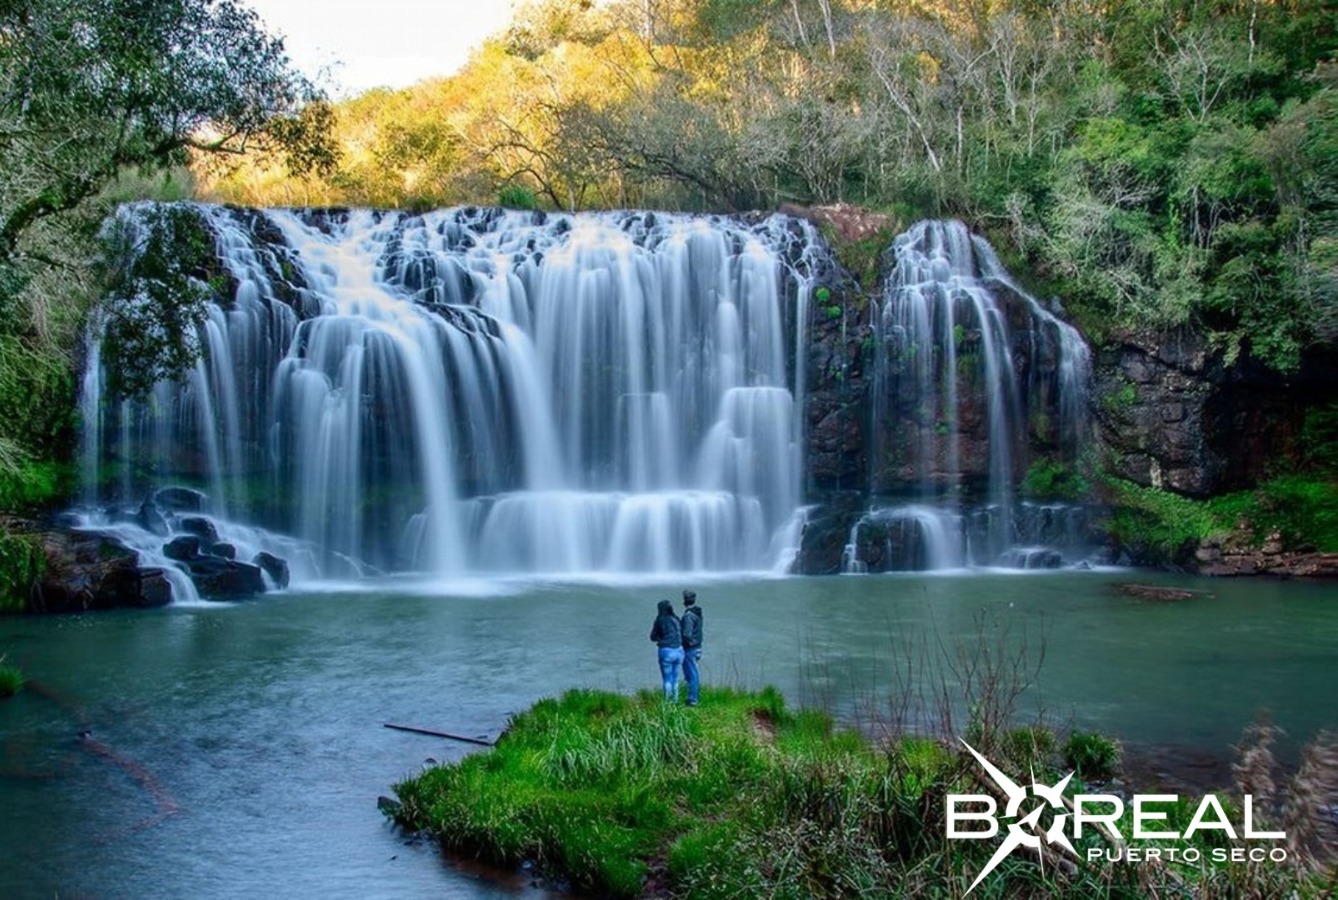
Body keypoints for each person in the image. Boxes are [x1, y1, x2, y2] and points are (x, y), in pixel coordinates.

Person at [649, 599, 684, 702]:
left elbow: (652, 637)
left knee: (667, 679)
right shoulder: (676, 618)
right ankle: (675, 701)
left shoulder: (660, 620)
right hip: (679, 651)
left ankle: (667, 704)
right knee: (675, 678)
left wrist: (661, 639)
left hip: (667, 651)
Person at [680, 589, 703, 706]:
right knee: (694, 673)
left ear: (685, 600)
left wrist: (683, 643)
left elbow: (687, 634)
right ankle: (694, 696)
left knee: (691, 674)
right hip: (697, 647)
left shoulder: (688, 616)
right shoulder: (697, 613)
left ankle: (693, 699)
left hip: (690, 649)